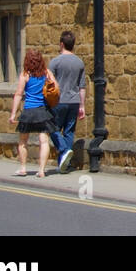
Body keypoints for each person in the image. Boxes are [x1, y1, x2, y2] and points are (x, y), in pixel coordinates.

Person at [10, 48, 59, 178]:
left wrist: (13, 114)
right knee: (44, 141)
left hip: (28, 111)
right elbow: (56, 87)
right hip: (43, 110)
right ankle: (42, 170)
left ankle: (23, 168)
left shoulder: (25, 75)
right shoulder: (46, 73)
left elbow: (19, 94)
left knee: (23, 141)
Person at [49, 30, 87, 173]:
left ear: (61, 44)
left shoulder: (55, 62)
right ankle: (64, 165)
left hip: (59, 101)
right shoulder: (79, 62)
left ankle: (64, 151)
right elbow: (82, 86)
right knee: (69, 131)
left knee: (53, 128)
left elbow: (48, 84)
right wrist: (82, 105)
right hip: (74, 101)